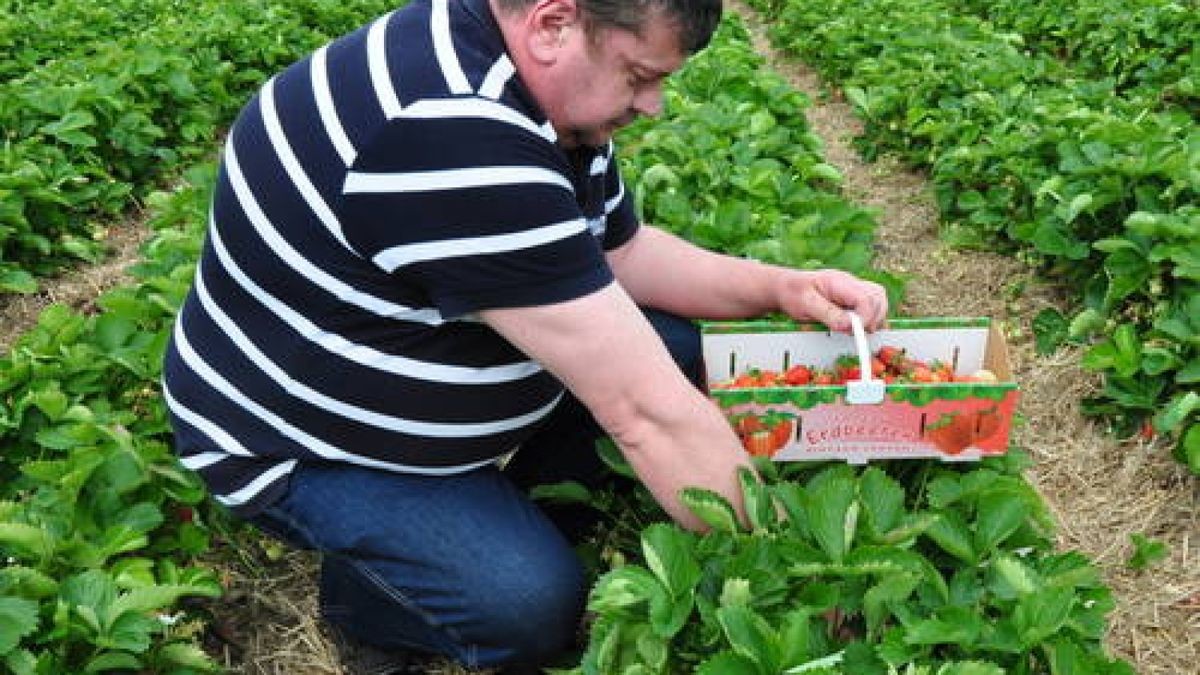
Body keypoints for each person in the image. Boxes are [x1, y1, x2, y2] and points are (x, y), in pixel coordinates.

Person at [161, 0, 888, 671]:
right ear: (553, 22)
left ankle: (497, 510)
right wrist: (798, 582)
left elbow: (619, 252)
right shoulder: (453, 134)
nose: (654, 104)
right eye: (640, 75)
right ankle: (369, 601)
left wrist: (780, 287)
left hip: (382, 346)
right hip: (301, 440)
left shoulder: (539, 85)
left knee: (671, 345)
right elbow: (646, 413)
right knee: (529, 605)